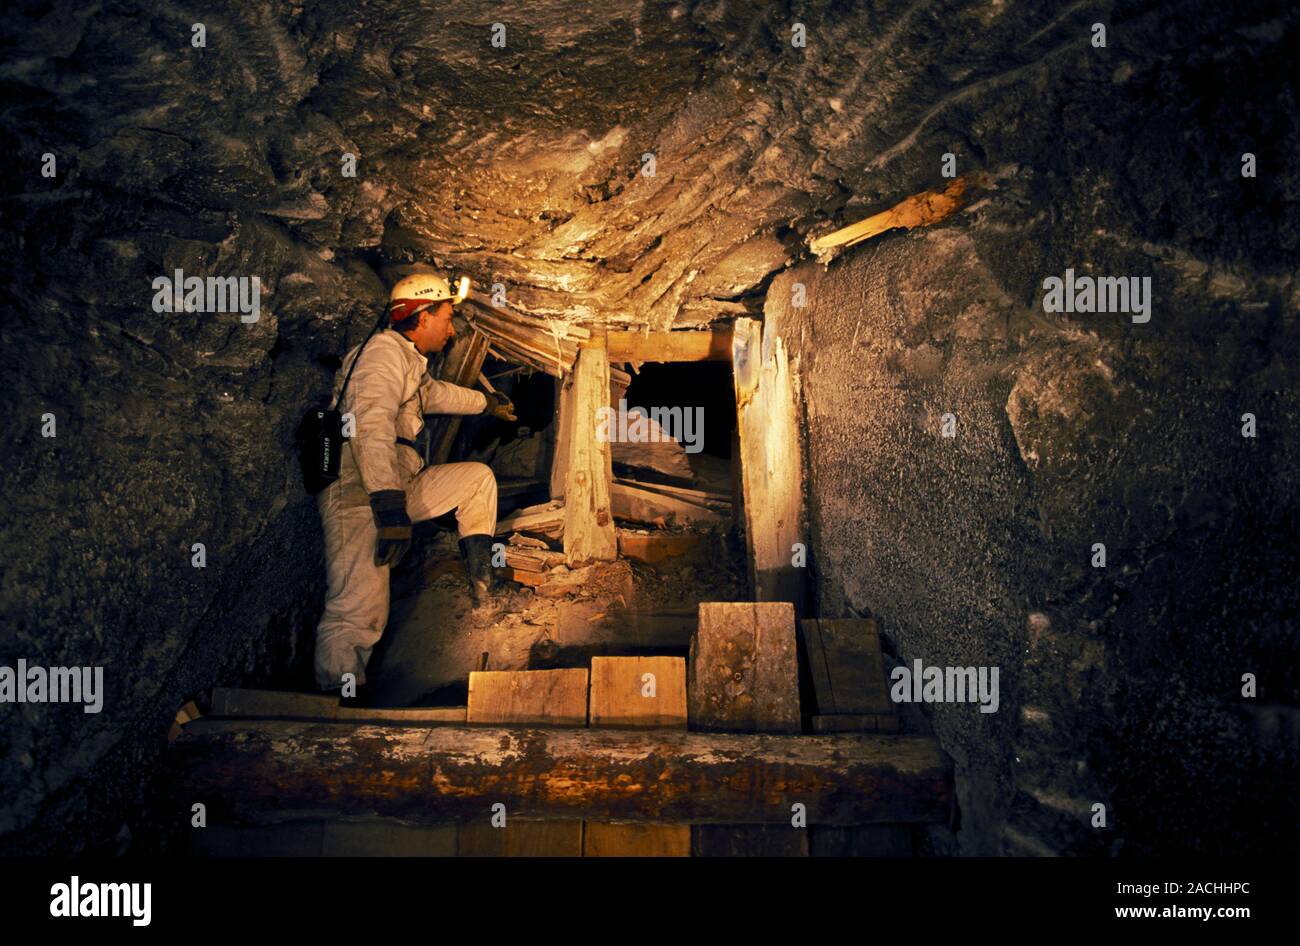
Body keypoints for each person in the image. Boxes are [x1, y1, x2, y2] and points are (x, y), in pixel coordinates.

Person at [313, 272, 515, 692]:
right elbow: (369, 425)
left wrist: (487, 403)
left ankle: (483, 592)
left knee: (476, 480)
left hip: (397, 483)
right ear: (422, 318)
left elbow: (436, 394)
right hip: (359, 491)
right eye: (446, 317)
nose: (452, 328)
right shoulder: (381, 356)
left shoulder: (406, 360)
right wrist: (387, 505)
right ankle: (337, 700)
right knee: (359, 607)